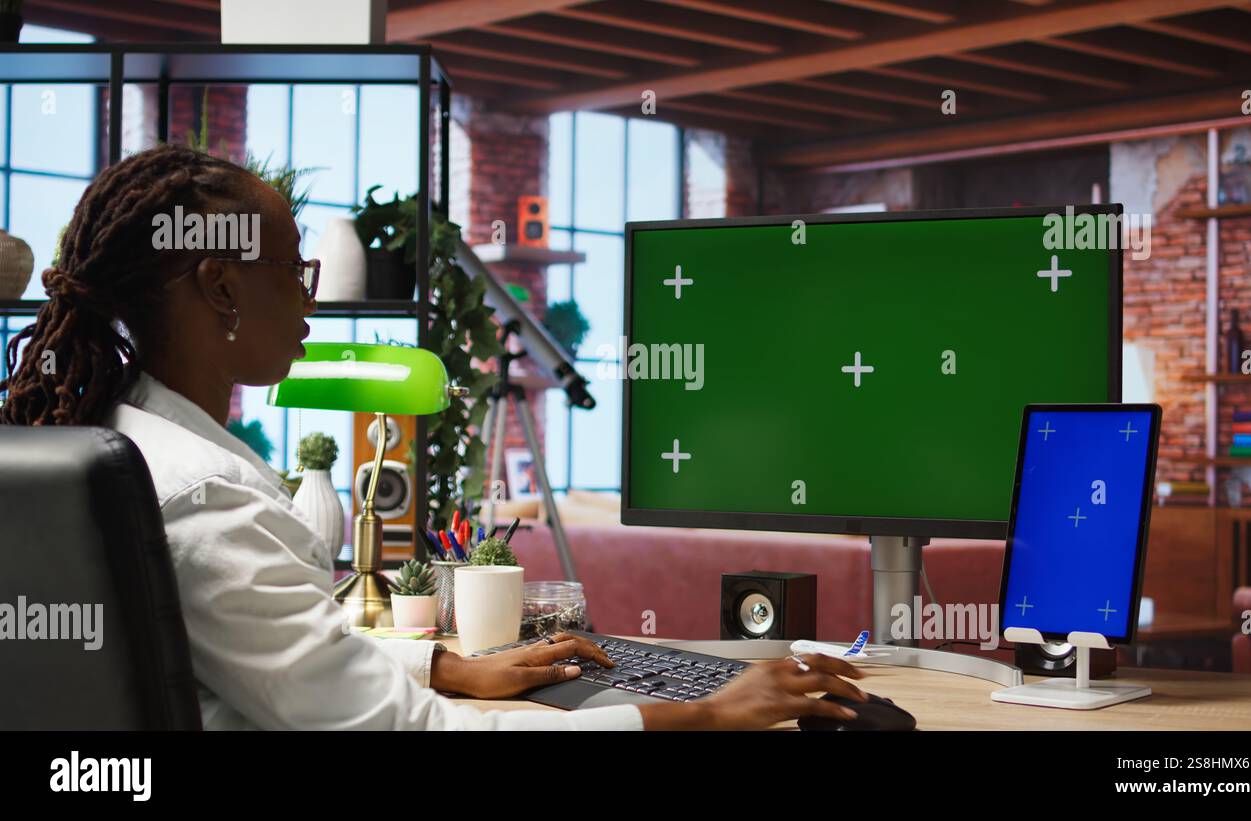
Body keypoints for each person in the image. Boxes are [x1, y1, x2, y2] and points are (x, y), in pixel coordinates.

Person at [0, 144, 867, 730]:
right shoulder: (203, 497)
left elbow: (277, 662)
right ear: (221, 285)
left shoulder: (121, 440)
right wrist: (699, 714)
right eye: (293, 269)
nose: (311, 298)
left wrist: (445, 666)